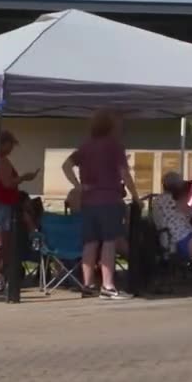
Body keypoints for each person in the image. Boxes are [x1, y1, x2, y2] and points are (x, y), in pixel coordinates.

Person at [60, 108, 140, 300]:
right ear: (111, 125)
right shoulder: (115, 146)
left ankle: (88, 285)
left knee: (90, 243)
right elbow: (124, 174)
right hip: (109, 200)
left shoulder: (86, 146)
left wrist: (78, 186)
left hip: (88, 202)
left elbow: (66, 165)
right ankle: (108, 285)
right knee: (109, 242)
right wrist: (136, 196)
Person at [0, 130, 40, 292]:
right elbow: (7, 183)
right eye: (11, 144)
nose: (12, 148)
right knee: (1, 242)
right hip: (0, 204)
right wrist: (24, 177)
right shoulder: (0, 160)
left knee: (0, 240)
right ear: (4, 144)